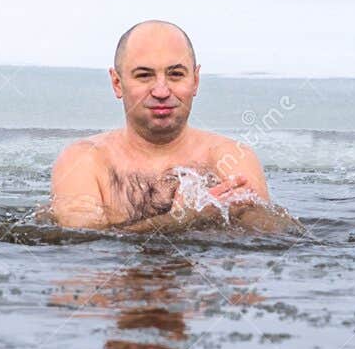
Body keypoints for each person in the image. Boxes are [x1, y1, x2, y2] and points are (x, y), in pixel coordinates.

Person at [49, 20, 295, 233]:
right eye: (144, 75)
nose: (161, 91)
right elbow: (81, 247)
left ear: (195, 81)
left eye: (176, 74)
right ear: (117, 83)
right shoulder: (85, 161)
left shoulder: (230, 158)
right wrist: (184, 219)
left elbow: (269, 240)